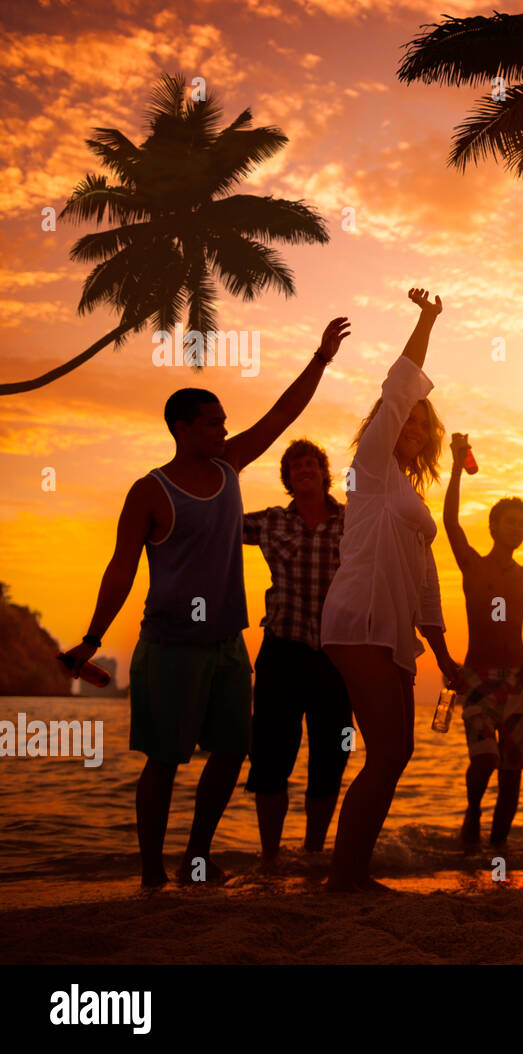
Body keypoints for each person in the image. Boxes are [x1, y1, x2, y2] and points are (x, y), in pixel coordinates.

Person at [63, 318, 352, 886]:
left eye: (224, 422)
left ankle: (196, 857)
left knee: (231, 751)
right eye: (214, 422)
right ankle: (150, 872)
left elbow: (280, 415)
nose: (224, 429)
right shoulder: (150, 490)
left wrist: (320, 358)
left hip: (227, 645)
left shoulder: (230, 466)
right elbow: (120, 568)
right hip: (169, 646)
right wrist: (93, 639)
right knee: (165, 760)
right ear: (183, 428)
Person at [320, 288, 463, 893]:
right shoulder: (372, 469)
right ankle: (346, 876)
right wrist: (426, 320)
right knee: (387, 753)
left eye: (424, 422)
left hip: (393, 630)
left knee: (395, 752)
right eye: (409, 416)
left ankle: (352, 871)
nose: (414, 423)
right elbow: (398, 387)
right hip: (360, 621)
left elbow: (426, 582)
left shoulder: (407, 492)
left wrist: (446, 653)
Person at [443, 433, 523, 848]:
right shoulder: (473, 567)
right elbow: (451, 523)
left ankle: (498, 849)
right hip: (476, 679)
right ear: (494, 526)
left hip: (518, 682)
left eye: (522, 525)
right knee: (486, 760)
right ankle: (473, 812)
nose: (517, 528)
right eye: (510, 521)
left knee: (512, 772)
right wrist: (458, 466)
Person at [242, 439, 351, 864]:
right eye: (294, 466)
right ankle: (270, 856)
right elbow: (214, 527)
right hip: (282, 652)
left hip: (335, 657)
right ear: (287, 478)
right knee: (270, 757)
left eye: (311, 463)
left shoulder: (352, 522)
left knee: (331, 756)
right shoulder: (270, 522)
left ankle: (313, 852)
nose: (303, 469)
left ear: (325, 473)